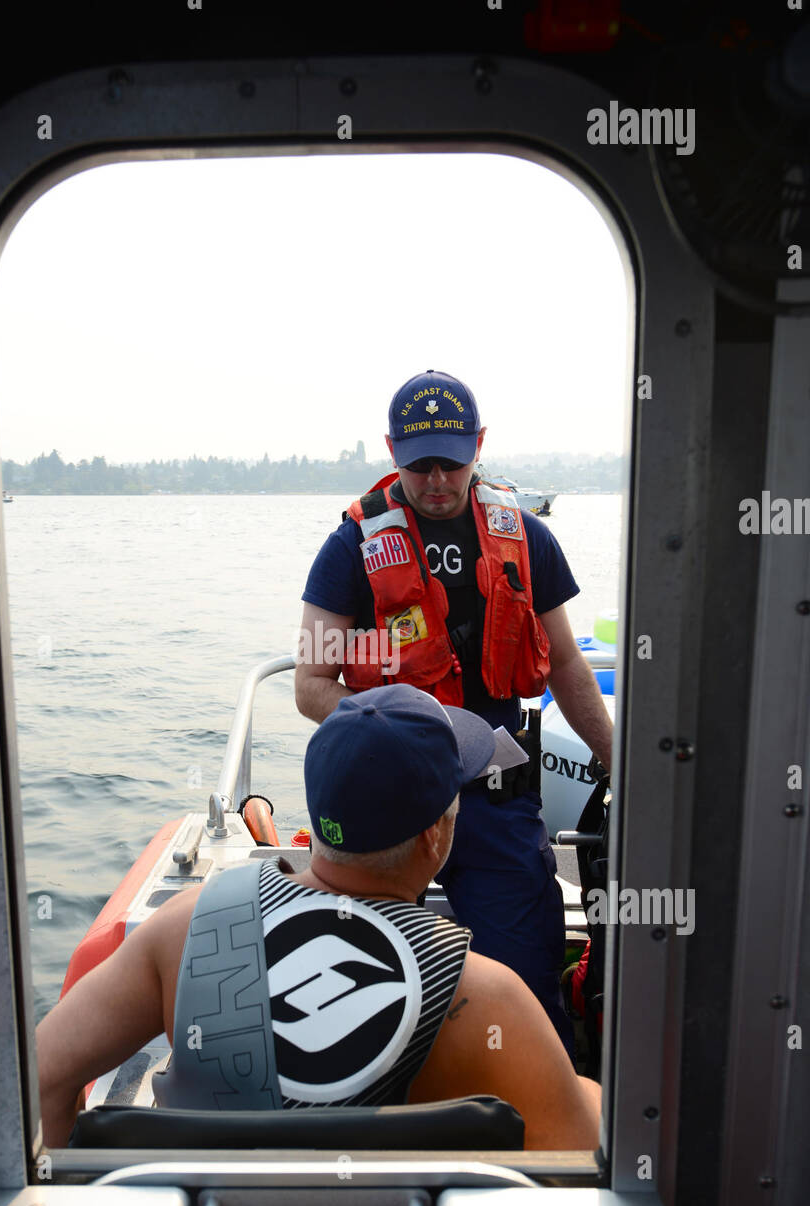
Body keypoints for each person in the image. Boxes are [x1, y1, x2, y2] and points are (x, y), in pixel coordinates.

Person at [36, 686, 601, 1150]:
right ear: (436, 836)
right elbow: (580, 1159)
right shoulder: (483, 998)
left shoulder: (184, 930)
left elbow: (40, 1076)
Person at [295, 369, 613, 1059]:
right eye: (419, 465)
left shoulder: (527, 539)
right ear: (390, 451)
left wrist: (618, 758)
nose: (437, 479)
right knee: (359, 986)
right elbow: (311, 684)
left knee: (523, 986)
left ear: (480, 445)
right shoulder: (348, 550)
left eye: (452, 461)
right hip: (389, 804)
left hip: (494, 803)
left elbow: (564, 663)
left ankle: (535, 1121)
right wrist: (407, 740)